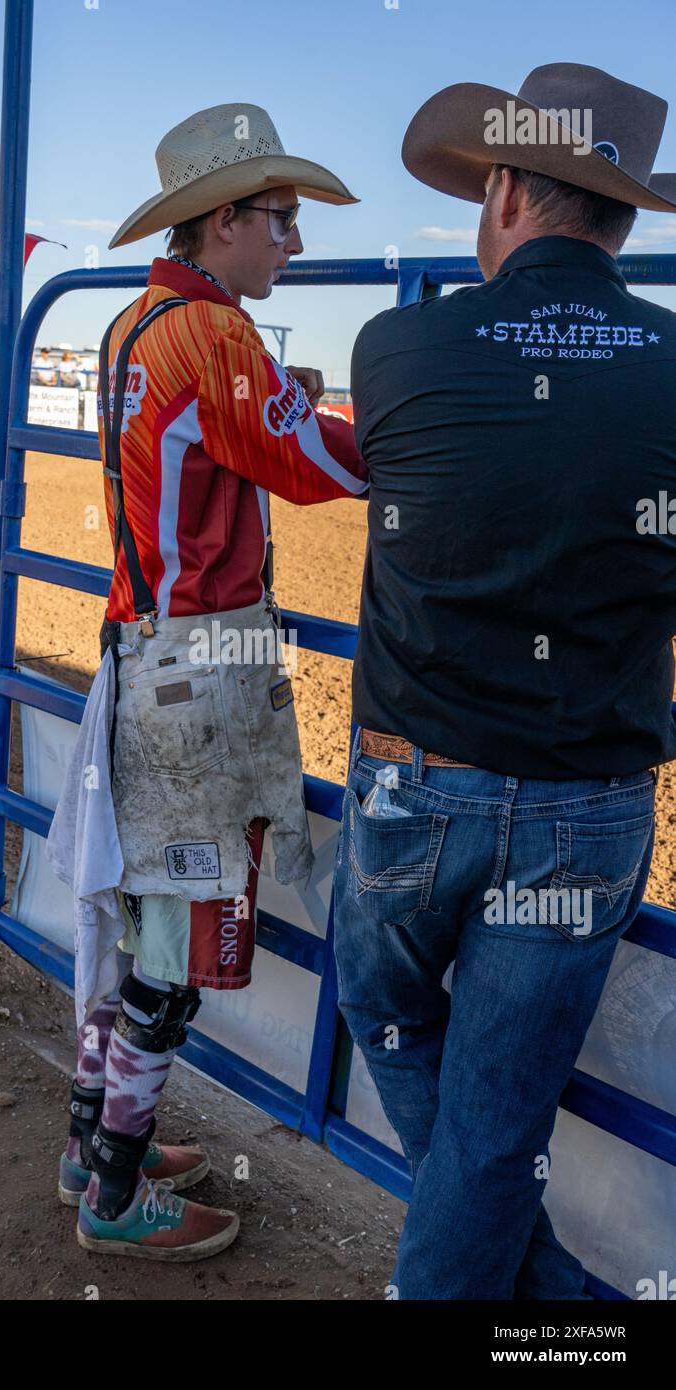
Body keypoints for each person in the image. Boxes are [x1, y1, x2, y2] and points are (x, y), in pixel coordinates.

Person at [333, 63, 676, 1299]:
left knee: (385, 1014)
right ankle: (553, 1301)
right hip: (587, 804)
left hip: (412, 791)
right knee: (491, 1127)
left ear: (503, 191)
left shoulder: (392, 347)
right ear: (622, 220)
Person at [46, 102, 368, 1260]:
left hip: (146, 656)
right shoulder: (213, 338)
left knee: (142, 931)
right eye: (280, 220)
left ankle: (94, 1145)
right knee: (176, 955)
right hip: (200, 671)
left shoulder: (134, 326)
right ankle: (115, 1198)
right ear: (221, 219)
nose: (292, 243)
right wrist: (434, 420)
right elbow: (312, 456)